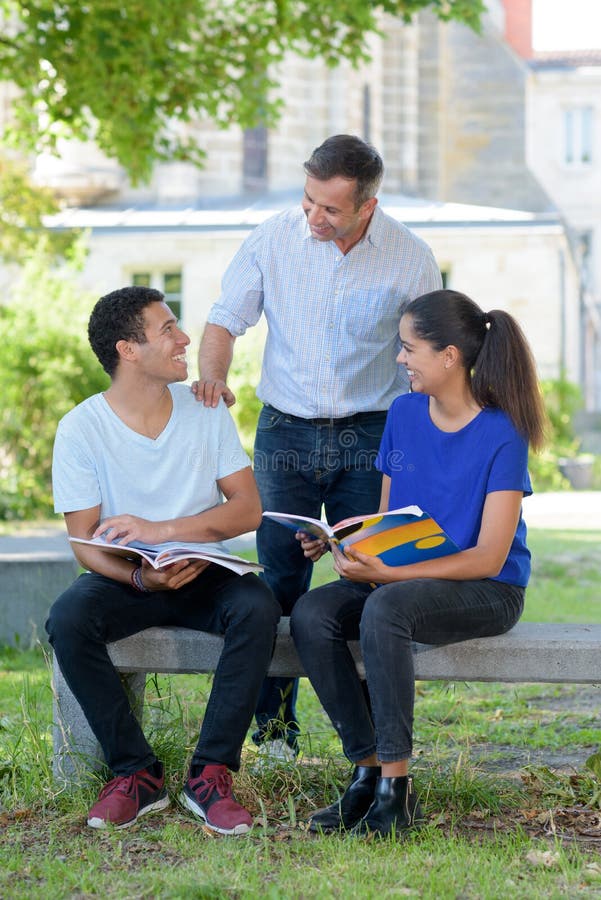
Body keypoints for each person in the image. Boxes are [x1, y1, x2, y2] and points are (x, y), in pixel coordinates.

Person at [195, 134, 442, 759]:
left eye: (330, 208)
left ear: (368, 205)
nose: (314, 217)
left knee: (370, 576)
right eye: (309, 200)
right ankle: (276, 730)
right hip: (287, 431)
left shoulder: (411, 258)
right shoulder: (274, 237)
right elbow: (225, 319)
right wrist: (214, 374)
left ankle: (372, 736)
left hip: (375, 433)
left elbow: (428, 355)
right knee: (280, 576)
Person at [290, 288, 548, 838]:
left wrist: (388, 576)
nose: (401, 358)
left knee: (385, 607)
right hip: (402, 576)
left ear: (449, 356)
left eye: (409, 348)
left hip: (487, 587)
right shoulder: (405, 413)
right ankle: (365, 771)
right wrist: (345, 545)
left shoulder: (503, 432)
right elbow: (391, 520)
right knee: (312, 612)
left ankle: (395, 794)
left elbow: (489, 554)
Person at [46, 286, 280, 834]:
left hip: (204, 570)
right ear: (128, 350)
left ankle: (211, 774)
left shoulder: (204, 409)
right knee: (68, 618)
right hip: (127, 576)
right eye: (167, 329)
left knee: (257, 607)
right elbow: (84, 541)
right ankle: (135, 773)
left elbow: (247, 510)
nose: (184, 339)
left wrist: (167, 530)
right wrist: (138, 575)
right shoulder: (81, 428)